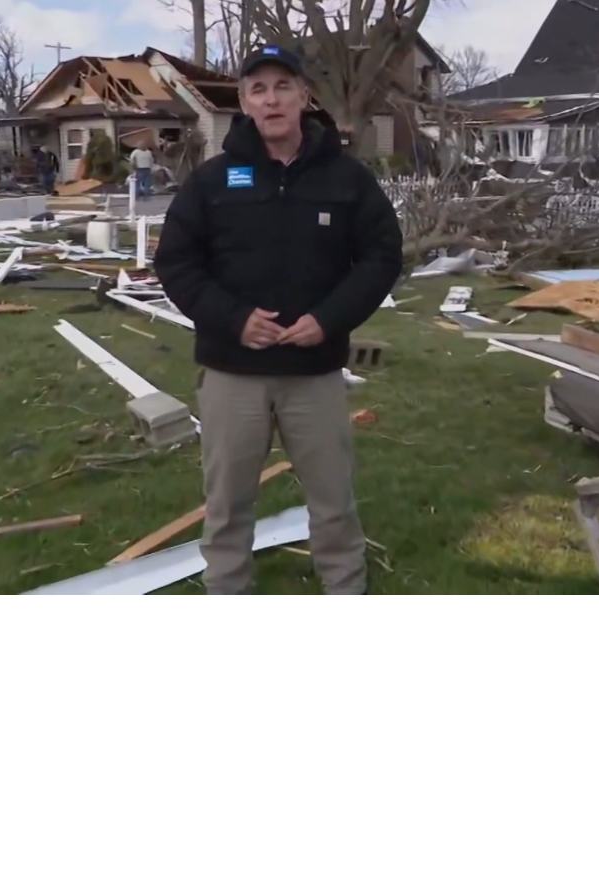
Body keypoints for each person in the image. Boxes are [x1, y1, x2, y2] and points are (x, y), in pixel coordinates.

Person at [154, 44, 402, 595]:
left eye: (282, 86)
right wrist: (234, 319)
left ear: (302, 96)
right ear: (244, 103)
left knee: (334, 502)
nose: (272, 100)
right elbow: (174, 261)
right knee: (227, 507)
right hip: (232, 374)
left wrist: (330, 319)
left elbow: (383, 256)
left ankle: (345, 585)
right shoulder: (212, 181)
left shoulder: (345, 179)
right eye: (258, 89)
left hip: (314, 374)